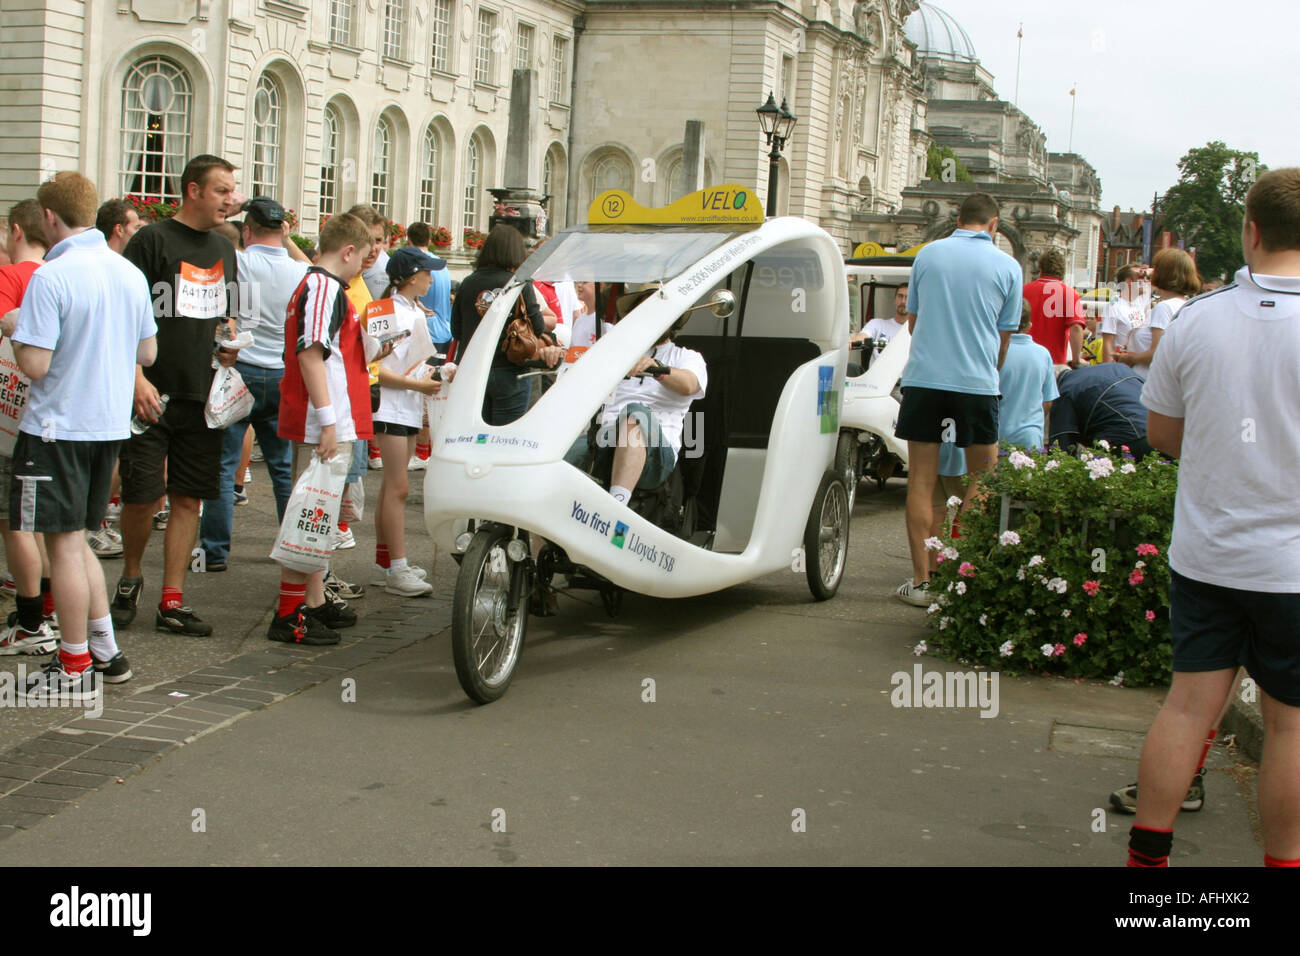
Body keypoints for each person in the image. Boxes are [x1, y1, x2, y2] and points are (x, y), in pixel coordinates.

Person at [1129, 167, 1300, 868]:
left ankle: (1149, 869)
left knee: (1188, 707)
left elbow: (1163, 436)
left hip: (1207, 552)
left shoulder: (1196, 319)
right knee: (1290, 728)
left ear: (1251, 231)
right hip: (1291, 566)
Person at [11, 172, 156, 698]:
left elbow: (34, 363)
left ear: (50, 217)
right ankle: (104, 651)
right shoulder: (126, 272)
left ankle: (73, 665)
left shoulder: (53, 277)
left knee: (65, 545)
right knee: (78, 540)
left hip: (57, 427)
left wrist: (14, 326)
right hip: (108, 425)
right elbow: (148, 355)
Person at [111, 155, 240, 637]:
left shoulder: (225, 249)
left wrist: (228, 345)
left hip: (203, 398)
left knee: (189, 501)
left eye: (233, 191)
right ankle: (128, 578)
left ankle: (172, 600)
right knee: (142, 498)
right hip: (151, 395)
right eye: (223, 191)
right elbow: (122, 317)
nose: (232, 200)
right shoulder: (151, 240)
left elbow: (228, 316)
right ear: (193, 191)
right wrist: (136, 378)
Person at [893, 193, 1022, 607]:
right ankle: (960, 569)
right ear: (994, 224)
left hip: (925, 378)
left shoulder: (928, 255)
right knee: (983, 479)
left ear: (958, 219)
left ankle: (921, 581)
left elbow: (912, 323)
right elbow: (1004, 339)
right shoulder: (1008, 265)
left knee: (921, 481)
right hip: (976, 382)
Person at [271, 213, 379, 644]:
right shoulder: (322, 286)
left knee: (318, 516)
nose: (362, 268)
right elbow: (310, 353)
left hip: (330, 418)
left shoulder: (321, 286)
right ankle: (290, 610)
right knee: (311, 516)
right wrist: (330, 421)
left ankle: (310, 600)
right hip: (326, 421)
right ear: (347, 251)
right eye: (363, 256)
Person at [197, 197, 306, 572]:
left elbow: (212, 236)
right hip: (281, 374)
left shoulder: (240, 260)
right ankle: (291, 545)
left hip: (239, 368)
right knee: (282, 468)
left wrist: (233, 206)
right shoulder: (297, 270)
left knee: (224, 467)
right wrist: (289, 240)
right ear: (282, 230)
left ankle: (214, 552)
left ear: (248, 229)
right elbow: (317, 271)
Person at [563, 289, 706, 506]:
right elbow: (578, 378)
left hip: (657, 452)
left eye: (659, 311)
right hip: (604, 440)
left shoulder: (687, 356)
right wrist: (554, 355)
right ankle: (535, 537)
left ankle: (616, 506)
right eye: (645, 311)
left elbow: (689, 385)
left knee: (635, 415)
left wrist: (657, 369)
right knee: (553, 455)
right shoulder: (615, 351)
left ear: (673, 317)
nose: (652, 317)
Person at [0, 199, 59, 655]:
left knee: (11, 520)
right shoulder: (58, 276)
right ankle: (45, 607)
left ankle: (31, 618)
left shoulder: (11, 278)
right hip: (53, 415)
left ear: (16, 231)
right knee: (38, 521)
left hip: (9, 414)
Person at [369, 246, 445, 596]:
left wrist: (434, 374)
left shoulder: (411, 309)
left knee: (393, 486)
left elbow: (405, 363)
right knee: (397, 487)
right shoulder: (386, 310)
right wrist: (419, 382)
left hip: (406, 404)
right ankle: (396, 568)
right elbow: (376, 369)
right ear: (413, 276)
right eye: (428, 273)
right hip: (390, 406)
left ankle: (390, 562)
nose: (432, 278)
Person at [451, 225, 561, 426]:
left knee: (473, 435)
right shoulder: (518, 284)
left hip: (473, 371)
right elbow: (536, 327)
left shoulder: (468, 283)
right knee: (504, 436)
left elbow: (456, 330)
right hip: (511, 370)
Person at [403, 221, 452, 471]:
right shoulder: (441, 266)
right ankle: (429, 450)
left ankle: (422, 453)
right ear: (430, 240)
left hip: (427, 332)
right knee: (435, 394)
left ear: (409, 240)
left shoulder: (420, 264)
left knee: (423, 393)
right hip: (444, 330)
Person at [1116, 247, 1200, 378]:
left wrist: (1130, 358)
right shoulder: (1187, 304)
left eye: (1156, 268)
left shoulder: (1163, 308)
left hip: (1145, 381)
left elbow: (1157, 353)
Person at [1048, 363, 1152, 458]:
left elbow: (1062, 452)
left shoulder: (1063, 393)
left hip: (1128, 437)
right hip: (1158, 429)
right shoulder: (1116, 367)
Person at [997, 301, 1058, 450]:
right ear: (1029, 325)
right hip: (1030, 435)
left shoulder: (994, 353)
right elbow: (1048, 401)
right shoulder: (1043, 354)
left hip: (996, 433)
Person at [1022, 249, 1086, 367]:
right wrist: (1076, 360)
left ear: (1040, 267)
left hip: (1024, 359)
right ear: (1062, 269)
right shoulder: (1069, 294)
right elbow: (1076, 327)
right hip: (1054, 361)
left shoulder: (1023, 290)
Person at [1100, 264, 1147, 363]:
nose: (1145, 282)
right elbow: (1107, 342)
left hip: (1138, 364)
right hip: (1121, 365)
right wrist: (1109, 370)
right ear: (1129, 281)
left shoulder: (1141, 301)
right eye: (1141, 278)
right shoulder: (1114, 306)